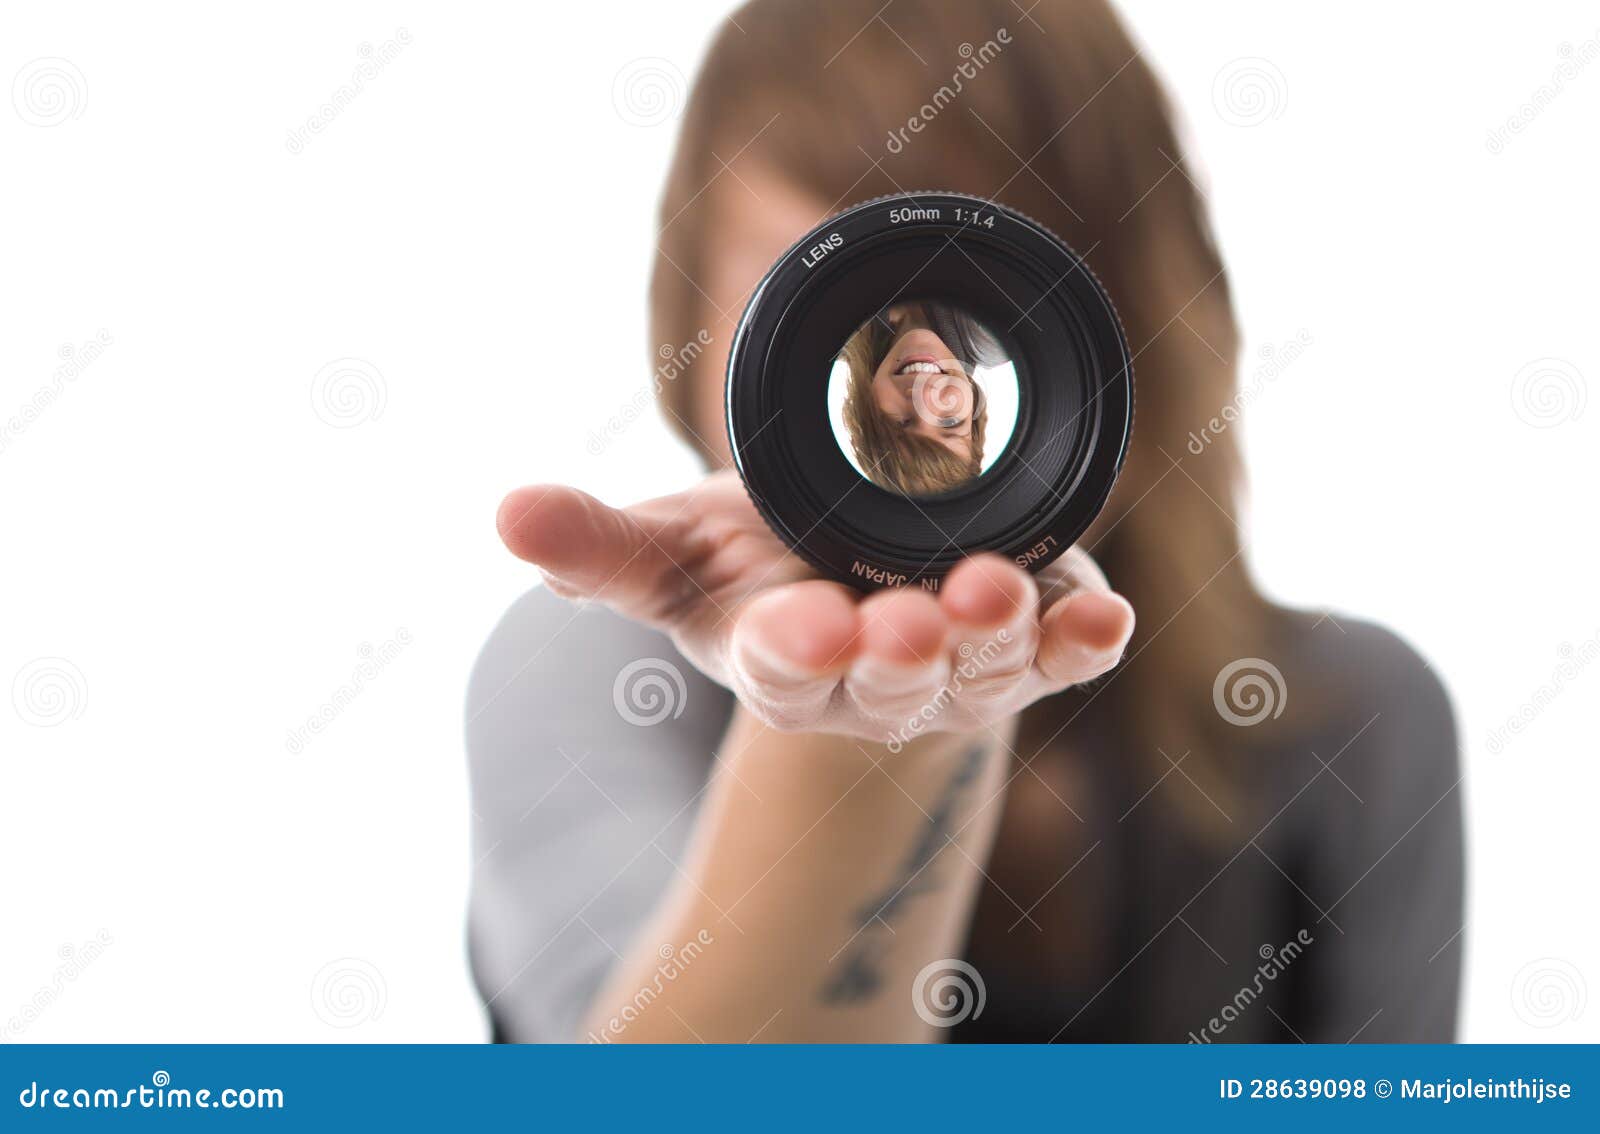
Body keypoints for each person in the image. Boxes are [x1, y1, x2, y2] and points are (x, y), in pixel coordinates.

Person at [467, 0, 1462, 1043]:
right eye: (822, 300)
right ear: (694, 320)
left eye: (976, 313)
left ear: (1140, 337)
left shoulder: (1347, 716)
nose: (912, 380)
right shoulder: (592, 670)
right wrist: (856, 721)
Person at [837, 301, 998, 496]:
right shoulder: (990, 333)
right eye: (950, 422)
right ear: (971, 405)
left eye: (901, 423)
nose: (924, 393)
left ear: (867, 411)